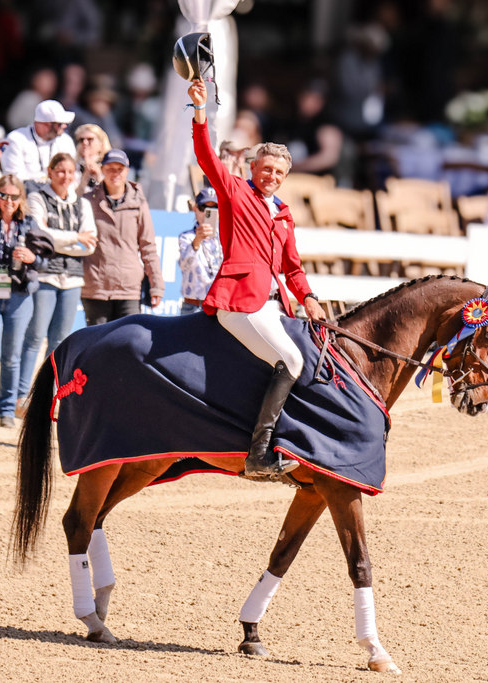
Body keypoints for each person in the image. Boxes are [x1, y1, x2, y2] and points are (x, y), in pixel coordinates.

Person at [188, 78, 326, 481]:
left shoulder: (283, 213)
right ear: (252, 168)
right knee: (292, 360)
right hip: (239, 301)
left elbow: (293, 268)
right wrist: (199, 111)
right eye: (266, 169)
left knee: (306, 355)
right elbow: (205, 156)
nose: (271, 176)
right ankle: (258, 453)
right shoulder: (235, 191)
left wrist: (310, 298)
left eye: (279, 172)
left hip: (274, 303)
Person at [0, 175, 53, 430]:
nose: (8, 201)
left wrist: (31, 259)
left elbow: (46, 261)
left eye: (14, 197)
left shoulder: (29, 223)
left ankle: (6, 408)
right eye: (3, 195)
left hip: (19, 294)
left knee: (12, 356)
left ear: (21, 199)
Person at [18, 153, 97, 400]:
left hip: (72, 278)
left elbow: (91, 244)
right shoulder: (36, 197)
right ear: (50, 172)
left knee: (59, 341)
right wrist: (75, 237)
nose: (66, 176)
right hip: (45, 276)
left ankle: (43, 395)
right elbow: (39, 234)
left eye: (70, 171)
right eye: (60, 171)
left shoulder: (82, 203)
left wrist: (54, 240)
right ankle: (21, 393)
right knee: (34, 336)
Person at [81, 148, 163, 325]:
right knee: (98, 346)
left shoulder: (138, 202)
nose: (115, 173)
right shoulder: (88, 200)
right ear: (102, 170)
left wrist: (156, 285)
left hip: (128, 288)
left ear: (127, 170)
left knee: (127, 342)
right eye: (110, 168)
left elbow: (148, 246)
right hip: (96, 286)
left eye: (119, 169)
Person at [2, 100, 77, 183]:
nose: (64, 126)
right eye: (60, 124)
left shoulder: (66, 141)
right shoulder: (17, 139)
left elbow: (73, 174)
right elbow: (14, 178)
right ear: (45, 124)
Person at [178, 186, 223, 315]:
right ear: (195, 209)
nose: (208, 212)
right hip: (192, 305)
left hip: (217, 306)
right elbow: (184, 265)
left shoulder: (226, 238)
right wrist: (197, 241)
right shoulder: (186, 237)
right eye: (204, 208)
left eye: (214, 208)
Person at [73, 123, 111, 195]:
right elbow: (73, 197)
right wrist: (85, 177)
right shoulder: (73, 166)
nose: (85, 142)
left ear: (101, 143)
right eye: (81, 140)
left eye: (90, 139)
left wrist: (98, 176)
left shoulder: (109, 165)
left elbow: (111, 195)